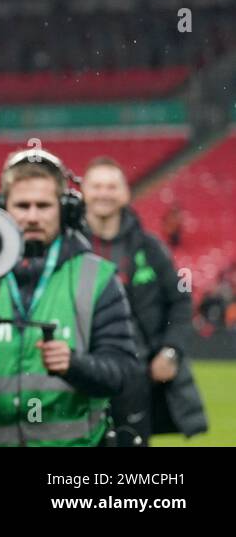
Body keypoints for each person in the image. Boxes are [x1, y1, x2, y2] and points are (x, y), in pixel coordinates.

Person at [0, 148, 138, 446]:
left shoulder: (98, 277)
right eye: (22, 206)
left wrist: (74, 365)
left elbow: (124, 374)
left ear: (65, 210)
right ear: (3, 210)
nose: (33, 216)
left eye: (44, 205)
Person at [82, 157, 207, 443]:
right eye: (97, 186)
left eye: (111, 186)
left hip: (137, 378)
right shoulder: (66, 247)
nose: (104, 193)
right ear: (83, 192)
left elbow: (180, 302)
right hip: (80, 375)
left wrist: (170, 351)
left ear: (125, 193)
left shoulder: (150, 248)